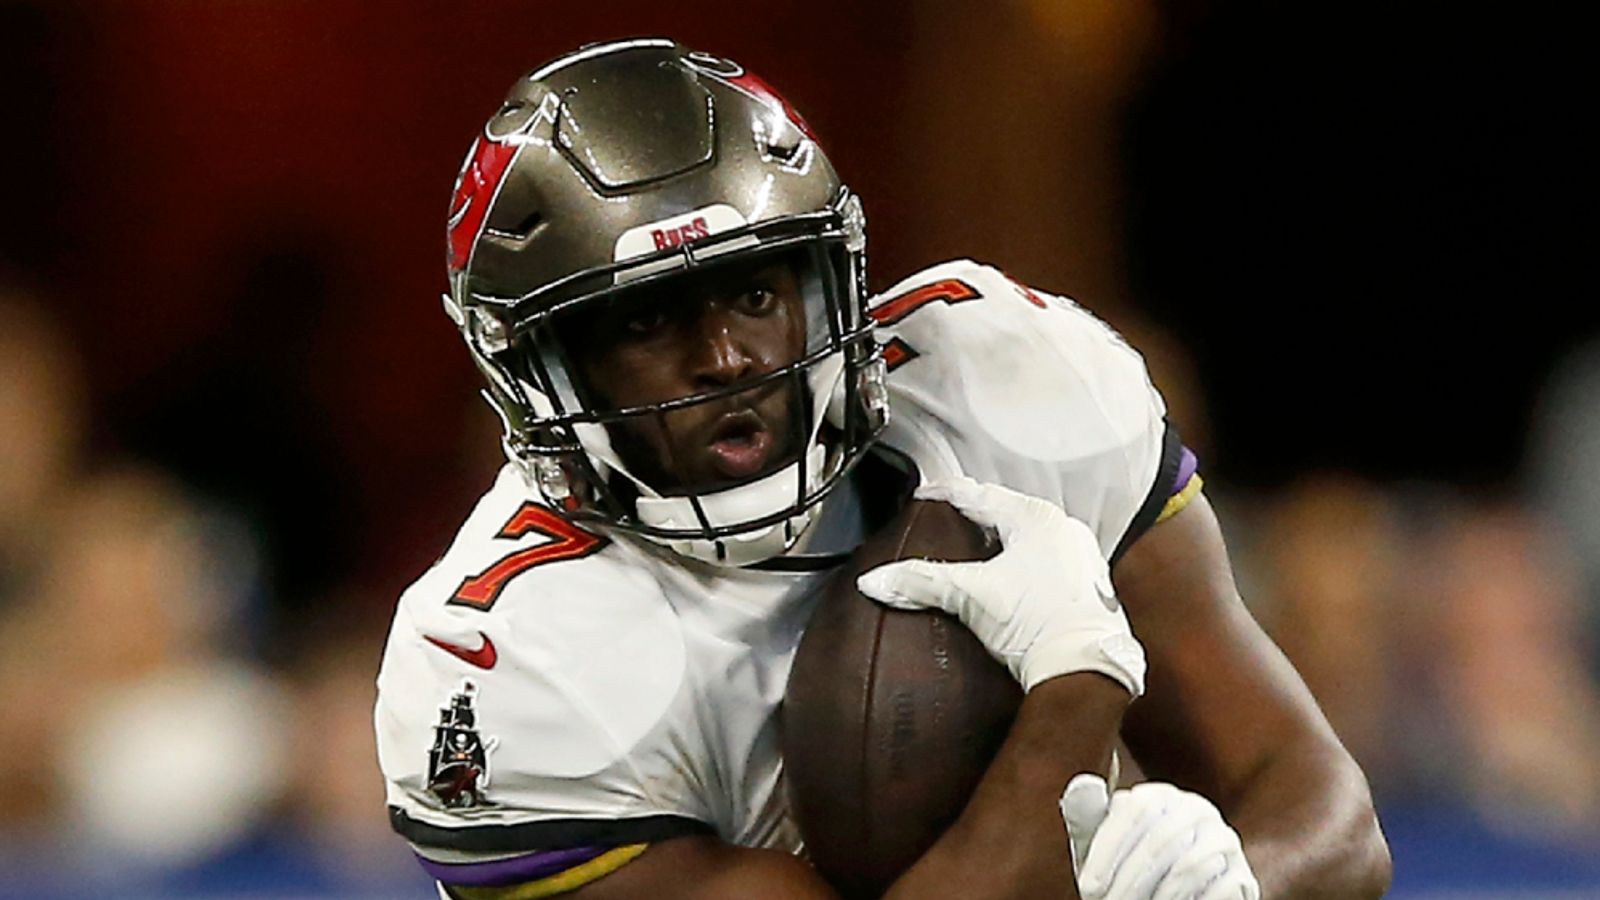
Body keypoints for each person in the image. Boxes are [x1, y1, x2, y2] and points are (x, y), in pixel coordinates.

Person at [375, 39, 1391, 899]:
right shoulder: (504, 662)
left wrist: (1231, 889)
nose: (725, 357)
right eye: (647, 322)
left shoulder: (1007, 381)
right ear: (541, 368)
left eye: (756, 296)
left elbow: (1330, 818)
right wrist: (1078, 682)